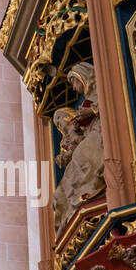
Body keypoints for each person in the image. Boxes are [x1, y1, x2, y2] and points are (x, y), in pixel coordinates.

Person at [51, 62, 104, 230]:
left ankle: (86, 194)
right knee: (59, 192)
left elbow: (114, 98)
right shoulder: (88, 99)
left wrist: (92, 112)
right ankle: (67, 217)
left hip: (101, 133)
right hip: (91, 135)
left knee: (81, 156)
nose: (73, 88)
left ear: (82, 76)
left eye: (74, 82)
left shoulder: (101, 88)